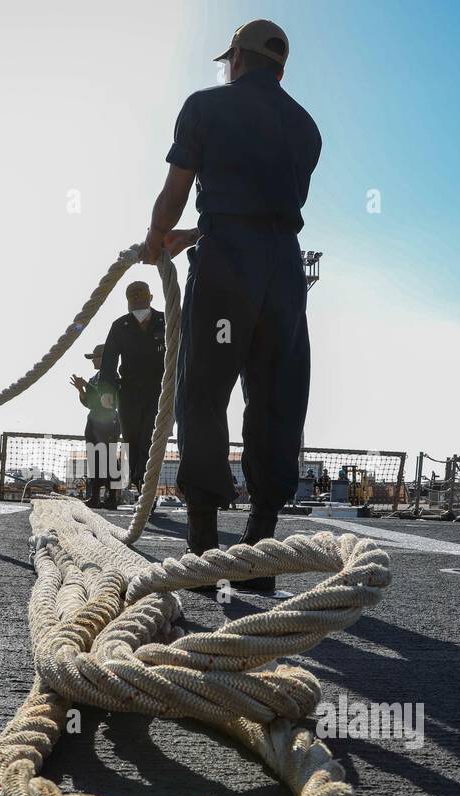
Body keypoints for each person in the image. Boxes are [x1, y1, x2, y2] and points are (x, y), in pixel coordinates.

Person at [141, 18, 320, 592]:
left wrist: (156, 239)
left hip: (225, 270)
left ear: (237, 59)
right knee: (275, 397)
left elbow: (177, 190)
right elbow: (265, 210)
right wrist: (202, 231)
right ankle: (261, 544)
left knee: (206, 391)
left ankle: (201, 545)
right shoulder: (306, 128)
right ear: (281, 67)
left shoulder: (204, 106)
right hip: (282, 271)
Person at [100, 281, 165, 498]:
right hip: (128, 393)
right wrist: (107, 390)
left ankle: (144, 486)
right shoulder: (119, 326)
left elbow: (182, 351)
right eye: (132, 294)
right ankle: (138, 483)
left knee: (150, 437)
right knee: (131, 439)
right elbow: (109, 359)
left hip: (159, 392)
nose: (137, 296)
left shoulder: (166, 321)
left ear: (151, 296)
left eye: (141, 292)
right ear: (127, 300)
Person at [70, 343, 121, 509]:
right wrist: (81, 390)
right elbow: (90, 403)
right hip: (94, 422)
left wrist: (86, 385)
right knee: (95, 459)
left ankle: (111, 498)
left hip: (108, 423)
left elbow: (108, 401)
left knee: (110, 460)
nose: (92, 361)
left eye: (94, 358)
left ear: (104, 358)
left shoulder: (113, 376)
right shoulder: (95, 378)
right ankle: (95, 497)